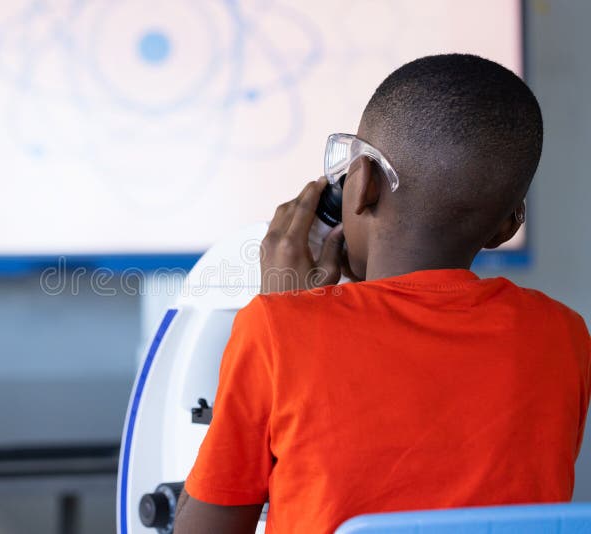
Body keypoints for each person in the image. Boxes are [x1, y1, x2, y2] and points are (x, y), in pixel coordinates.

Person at [173, 54, 591, 534]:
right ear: (507, 226)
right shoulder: (563, 336)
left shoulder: (277, 328)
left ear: (362, 184)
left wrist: (287, 307)